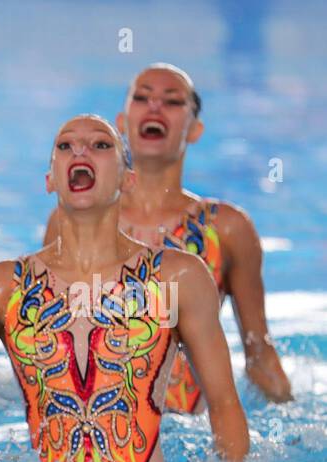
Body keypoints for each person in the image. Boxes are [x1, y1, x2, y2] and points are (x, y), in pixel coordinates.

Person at [0, 115, 249, 462]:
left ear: (128, 179)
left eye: (101, 145)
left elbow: (224, 403)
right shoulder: (0, 288)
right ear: (50, 179)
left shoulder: (173, 278)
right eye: (65, 146)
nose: (80, 150)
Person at [44, 64, 292, 411]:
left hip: (187, 429)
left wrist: (292, 423)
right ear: (122, 121)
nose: (155, 107)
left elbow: (258, 352)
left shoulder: (226, 228)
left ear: (194, 129)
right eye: (142, 97)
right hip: (99, 430)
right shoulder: (70, 219)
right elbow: (53, 341)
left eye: (172, 101)